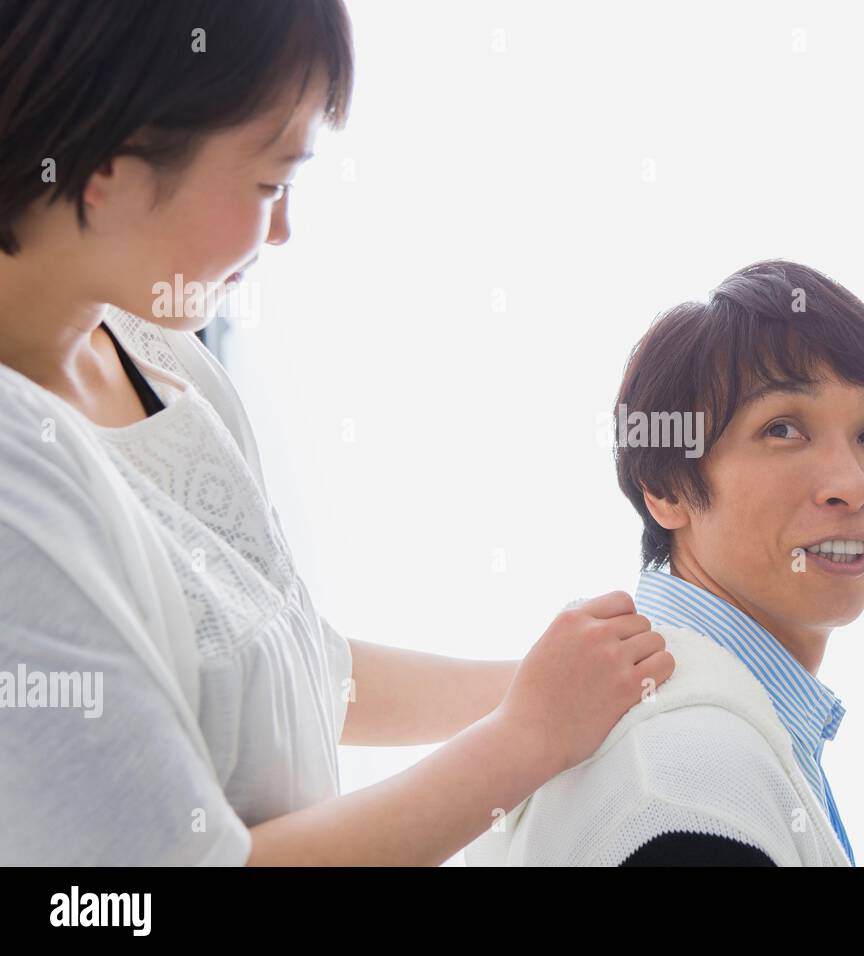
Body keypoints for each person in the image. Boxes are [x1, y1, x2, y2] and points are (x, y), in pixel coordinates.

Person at [0, 0, 673, 866]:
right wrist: (529, 737)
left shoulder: (153, 353)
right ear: (110, 168)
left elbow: (295, 670)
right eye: (269, 183)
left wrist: (552, 688)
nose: (282, 229)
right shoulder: (20, 482)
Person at [465, 260, 864, 865]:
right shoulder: (689, 779)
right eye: (783, 429)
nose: (852, 487)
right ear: (665, 487)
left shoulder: (702, 730)